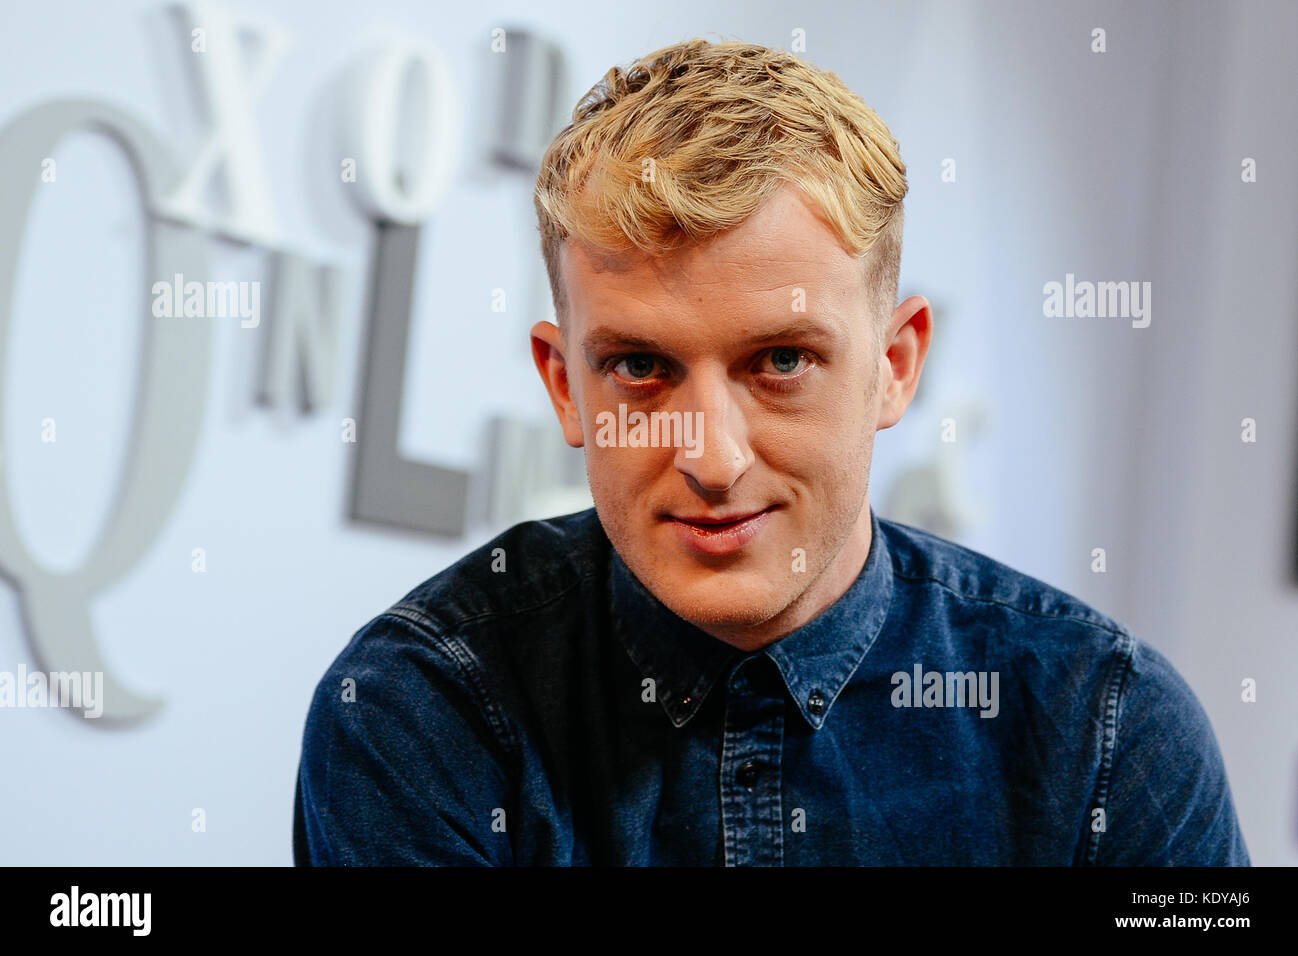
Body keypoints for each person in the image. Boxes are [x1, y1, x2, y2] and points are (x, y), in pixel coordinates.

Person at [293, 38, 1249, 866]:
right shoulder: (422, 709)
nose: (712, 458)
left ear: (894, 365)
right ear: (562, 384)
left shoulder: (1104, 732)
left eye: (780, 360)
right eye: (638, 366)